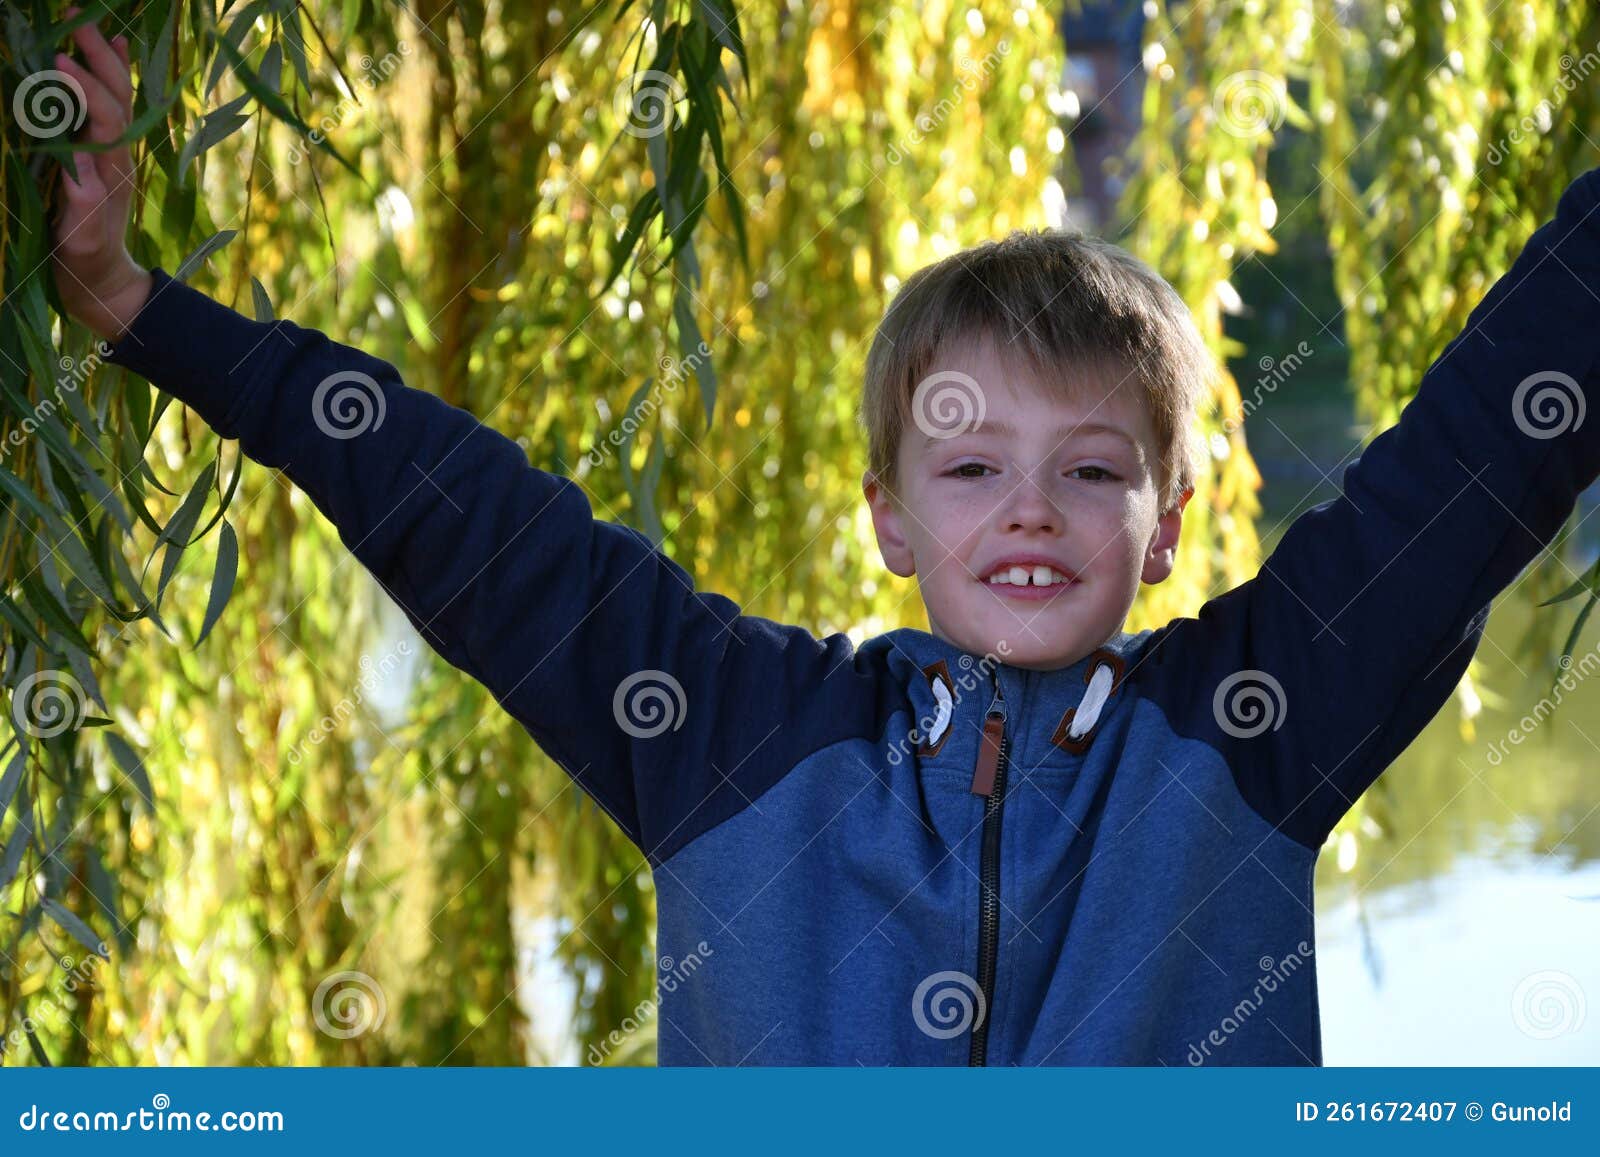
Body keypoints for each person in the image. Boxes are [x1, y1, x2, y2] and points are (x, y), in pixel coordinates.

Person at [49, 11, 1600, 1066]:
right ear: (887, 517)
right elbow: (459, 511)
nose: (1031, 508)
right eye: (973, 461)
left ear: (1172, 523)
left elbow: (1477, 462)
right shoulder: (730, 729)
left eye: (1092, 471)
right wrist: (137, 308)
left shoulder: (1259, 724)